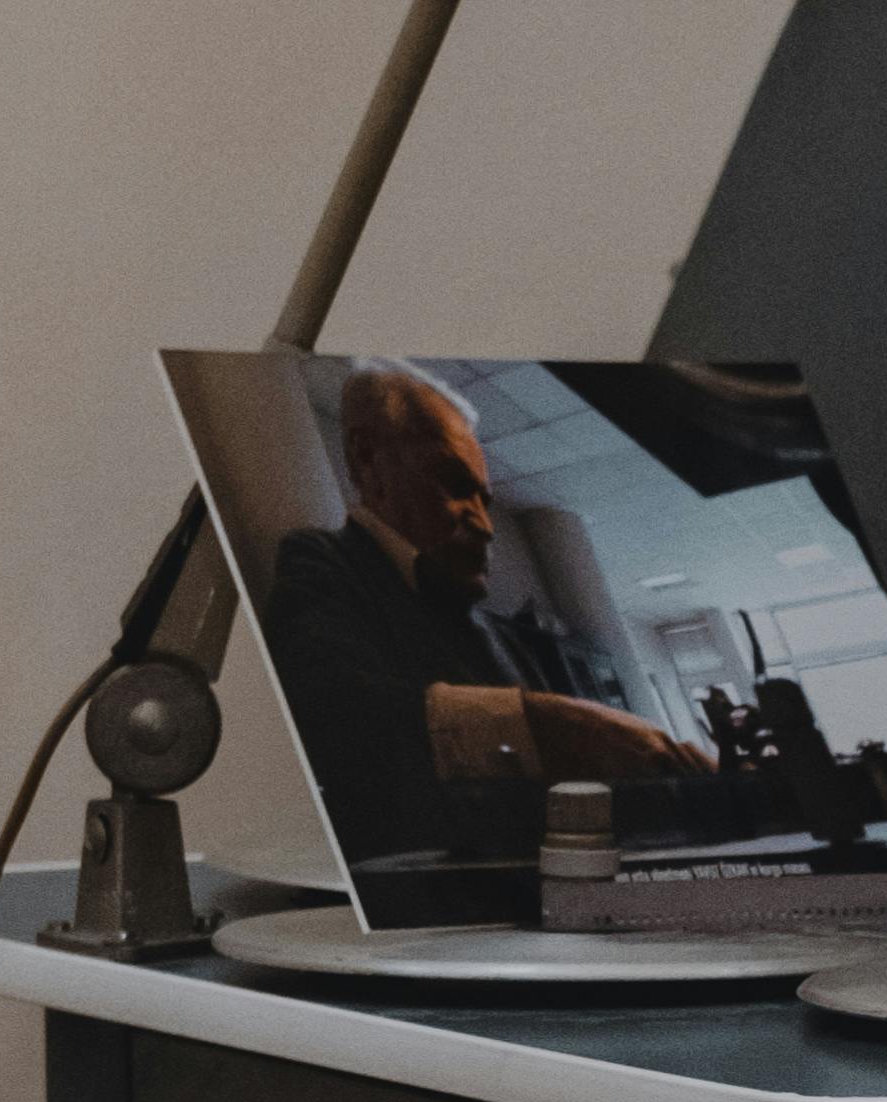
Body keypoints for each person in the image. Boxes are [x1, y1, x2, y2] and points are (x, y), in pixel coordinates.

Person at [267, 368, 709, 874]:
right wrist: (555, 728)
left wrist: (684, 783)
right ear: (367, 459)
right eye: (455, 483)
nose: (484, 523)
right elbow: (327, 713)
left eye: (485, 499)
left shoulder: (503, 636)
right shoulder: (321, 563)